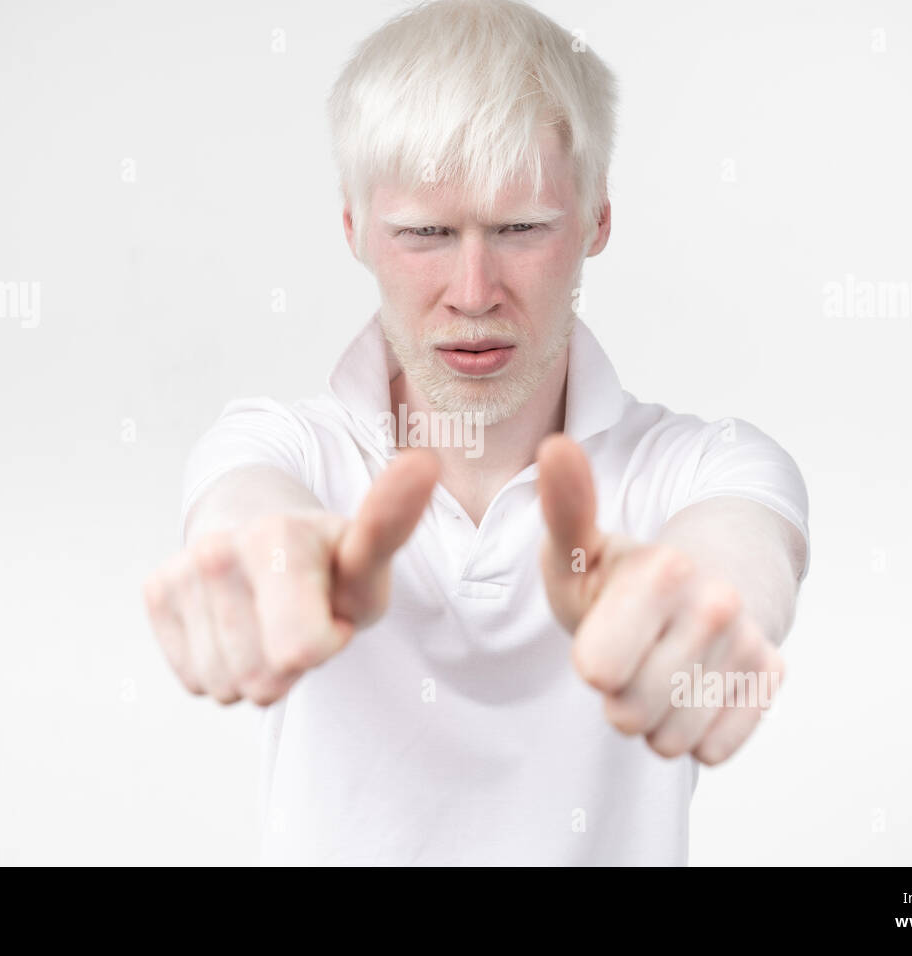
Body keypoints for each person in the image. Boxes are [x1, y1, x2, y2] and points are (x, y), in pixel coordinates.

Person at [143, 0, 809, 865]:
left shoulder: (702, 466)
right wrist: (274, 565)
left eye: (521, 229)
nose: (473, 290)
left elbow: (742, 549)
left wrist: (702, 612)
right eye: (425, 232)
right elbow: (247, 507)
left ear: (598, 220)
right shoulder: (278, 448)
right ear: (353, 229)